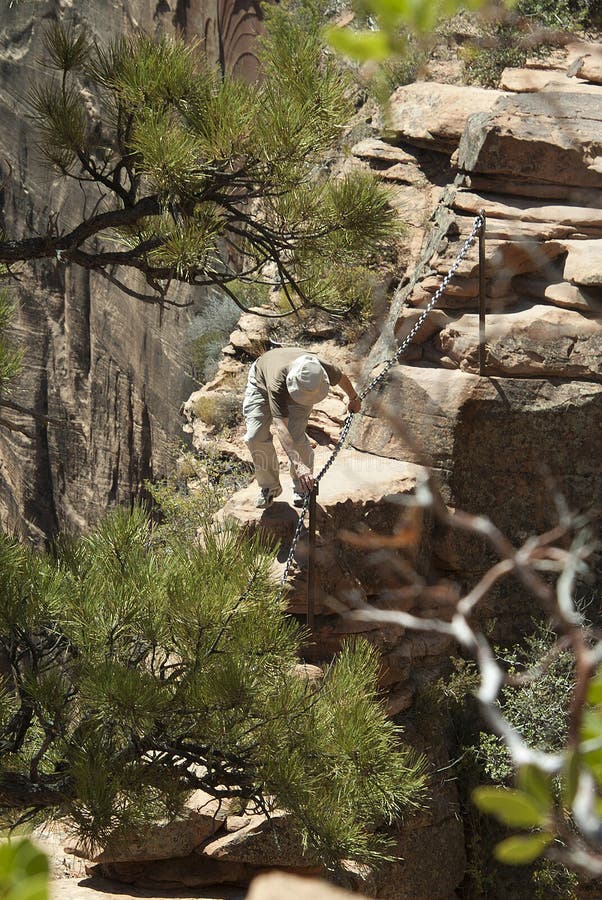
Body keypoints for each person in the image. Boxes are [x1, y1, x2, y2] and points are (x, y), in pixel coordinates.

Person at [243, 347, 362, 509]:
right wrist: (298, 464)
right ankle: (269, 486)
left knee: (296, 436)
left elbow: (341, 378)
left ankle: (302, 487)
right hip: (262, 384)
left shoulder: (319, 368)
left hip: (298, 384)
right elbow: (280, 427)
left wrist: (353, 397)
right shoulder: (277, 382)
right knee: (255, 436)